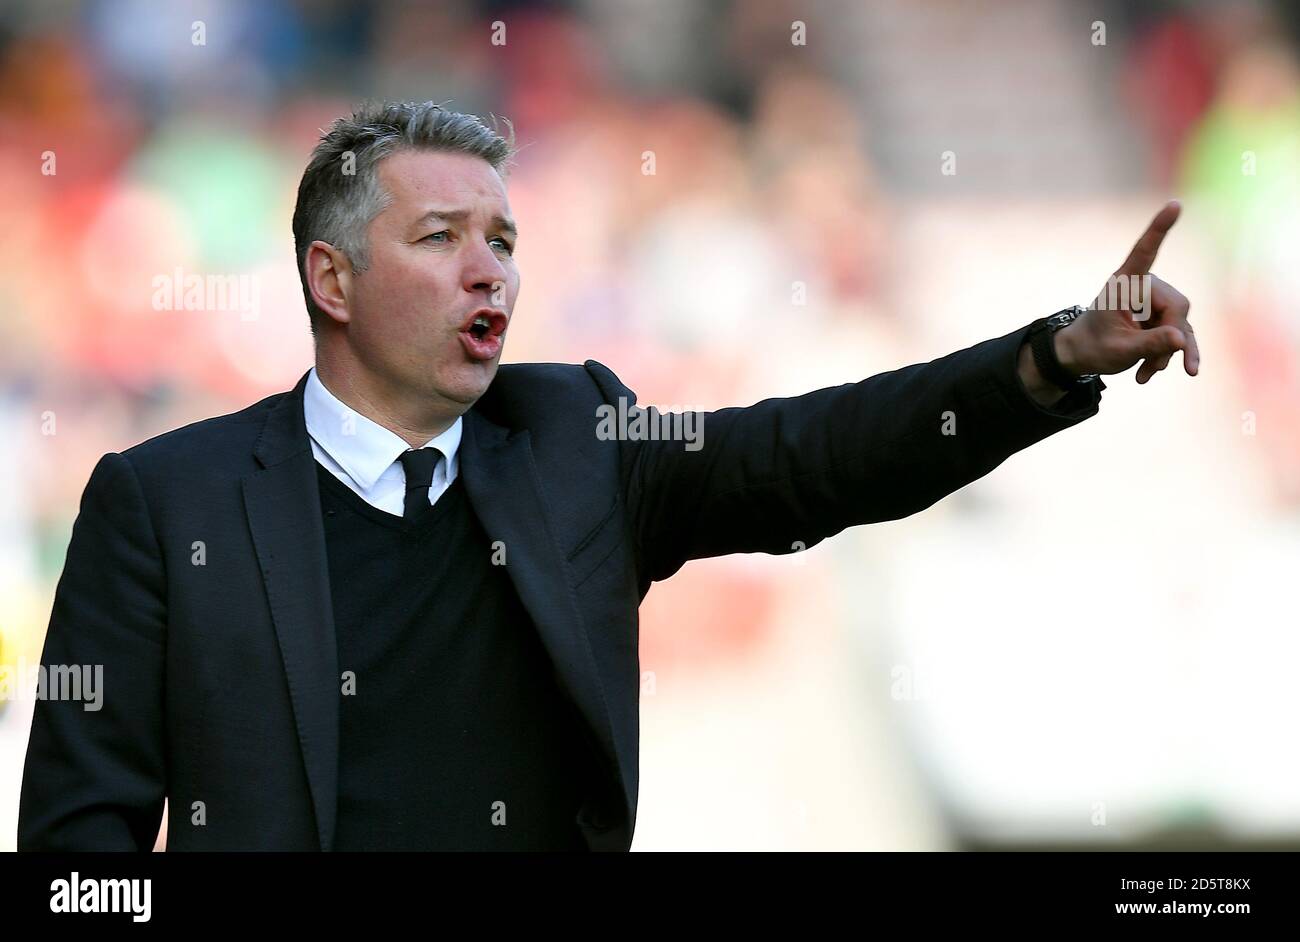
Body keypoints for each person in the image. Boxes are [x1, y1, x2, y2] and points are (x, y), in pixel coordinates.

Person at [18, 101, 1198, 852]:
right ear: (330, 280)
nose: (491, 275)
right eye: (442, 240)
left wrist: (1051, 357)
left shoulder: (577, 440)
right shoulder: (166, 503)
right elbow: (80, 867)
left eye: (505, 242)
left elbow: (818, 455)